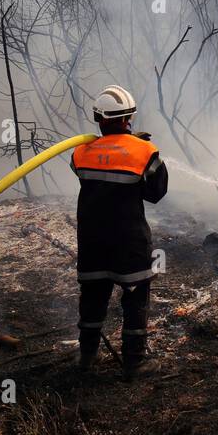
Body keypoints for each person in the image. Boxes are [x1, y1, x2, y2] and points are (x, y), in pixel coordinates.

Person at [70, 85, 168, 379]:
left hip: (92, 241)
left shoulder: (80, 152)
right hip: (129, 242)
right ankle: (134, 363)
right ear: (130, 118)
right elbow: (156, 193)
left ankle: (85, 358)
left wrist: (118, 145)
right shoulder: (145, 151)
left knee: (92, 299)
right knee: (135, 298)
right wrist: (134, 147)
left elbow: (93, 169)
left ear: (98, 119)